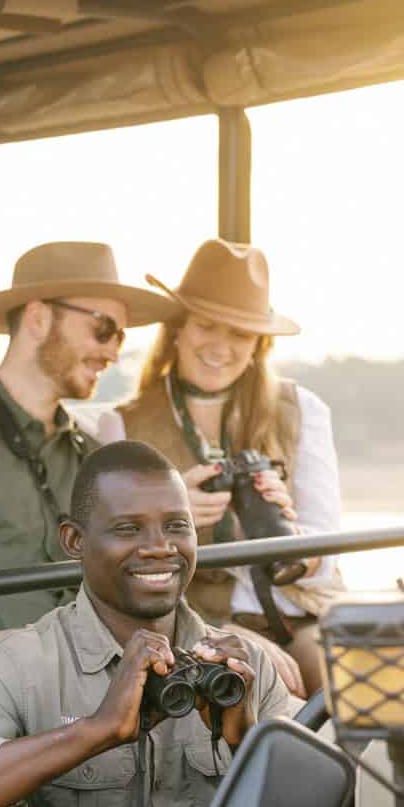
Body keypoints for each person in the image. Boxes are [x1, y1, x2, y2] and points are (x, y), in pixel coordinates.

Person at [0, 441, 291, 807]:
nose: (160, 547)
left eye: (177, 526)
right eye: (128, 529)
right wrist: (95, 732)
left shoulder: (244, 667)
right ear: (74, 541)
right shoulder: (24, 669)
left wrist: (245, 740)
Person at [97, 239, 342, 694]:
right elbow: (112, 570)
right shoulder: (122, 424)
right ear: (177, 329)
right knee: (258, 687)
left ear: (258, 345)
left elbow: (326, 557)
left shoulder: (302, 409)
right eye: (207, 326)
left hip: (300, 613)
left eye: (240, 334)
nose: (221, 347)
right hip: (193, 624)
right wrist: (170, 514)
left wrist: (286, 528)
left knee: (346, 684)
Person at [0, 240, 178, 643]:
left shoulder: (93, 457)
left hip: (93, 666)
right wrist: (20, 663)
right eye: (102, 328)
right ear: (37, 319)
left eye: (119, 338)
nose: (111, 352)